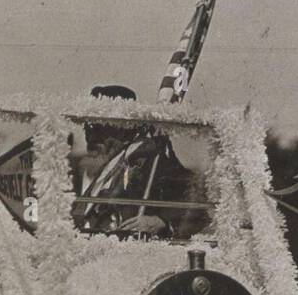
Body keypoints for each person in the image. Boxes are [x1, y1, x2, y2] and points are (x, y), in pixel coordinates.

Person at [76, 85, 209, 240]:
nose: (89, 135)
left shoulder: (150, 157)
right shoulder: (88, 166)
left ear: (122, 126)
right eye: (88, 125)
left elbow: (196, 201)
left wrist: (161, 221)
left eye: (98, 125)